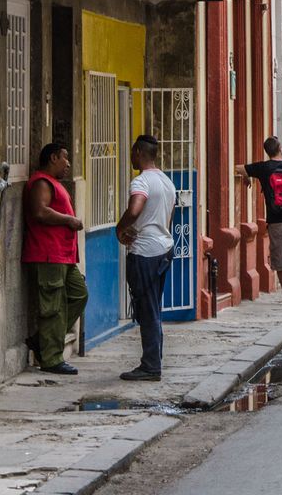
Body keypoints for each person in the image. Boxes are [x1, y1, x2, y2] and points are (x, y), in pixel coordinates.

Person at [21, 143, 88, 375]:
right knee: (52, 308)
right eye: (64, 158)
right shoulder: (41, 182)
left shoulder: (55, 183)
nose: (68, 163)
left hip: (63, 256)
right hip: (48, 254)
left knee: (79, 294)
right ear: (52, 158)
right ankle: (51, 359)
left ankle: (43, 339)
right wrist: (69, 220)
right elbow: (40, 211)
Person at [116, 135, 176, 381]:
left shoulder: (141, 181)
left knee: (148, 309)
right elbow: (169, 217)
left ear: (139, 152)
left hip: (145, 253)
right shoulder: (166, 181)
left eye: (132, 152)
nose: (131, 156)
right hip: (164, 248)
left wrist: (120, 228)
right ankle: (154, 360)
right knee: (153, 307)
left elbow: (135, 208)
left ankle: (151, 366)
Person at [236, 136, 282, 305]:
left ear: (267, 151)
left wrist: (247, 177)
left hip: (276, 220)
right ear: (280, 148)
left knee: (279, 259)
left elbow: (238, 168)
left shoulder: (263, 168)